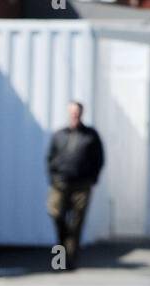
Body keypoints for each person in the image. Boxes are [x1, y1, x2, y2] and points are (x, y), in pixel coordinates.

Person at [46, 100, 105, 271]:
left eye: (77, 112)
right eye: (72, 112)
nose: (75, 115)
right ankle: (62, 252)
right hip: (60, 184)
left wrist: (93, 178)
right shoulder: (59, 135)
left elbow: (99, 159)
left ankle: (67, 261)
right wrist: (53, 177)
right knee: (56, 214)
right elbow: (50, 158)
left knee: (76, 223)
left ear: (81, 114)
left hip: (82, 185)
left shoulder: (90, 135)